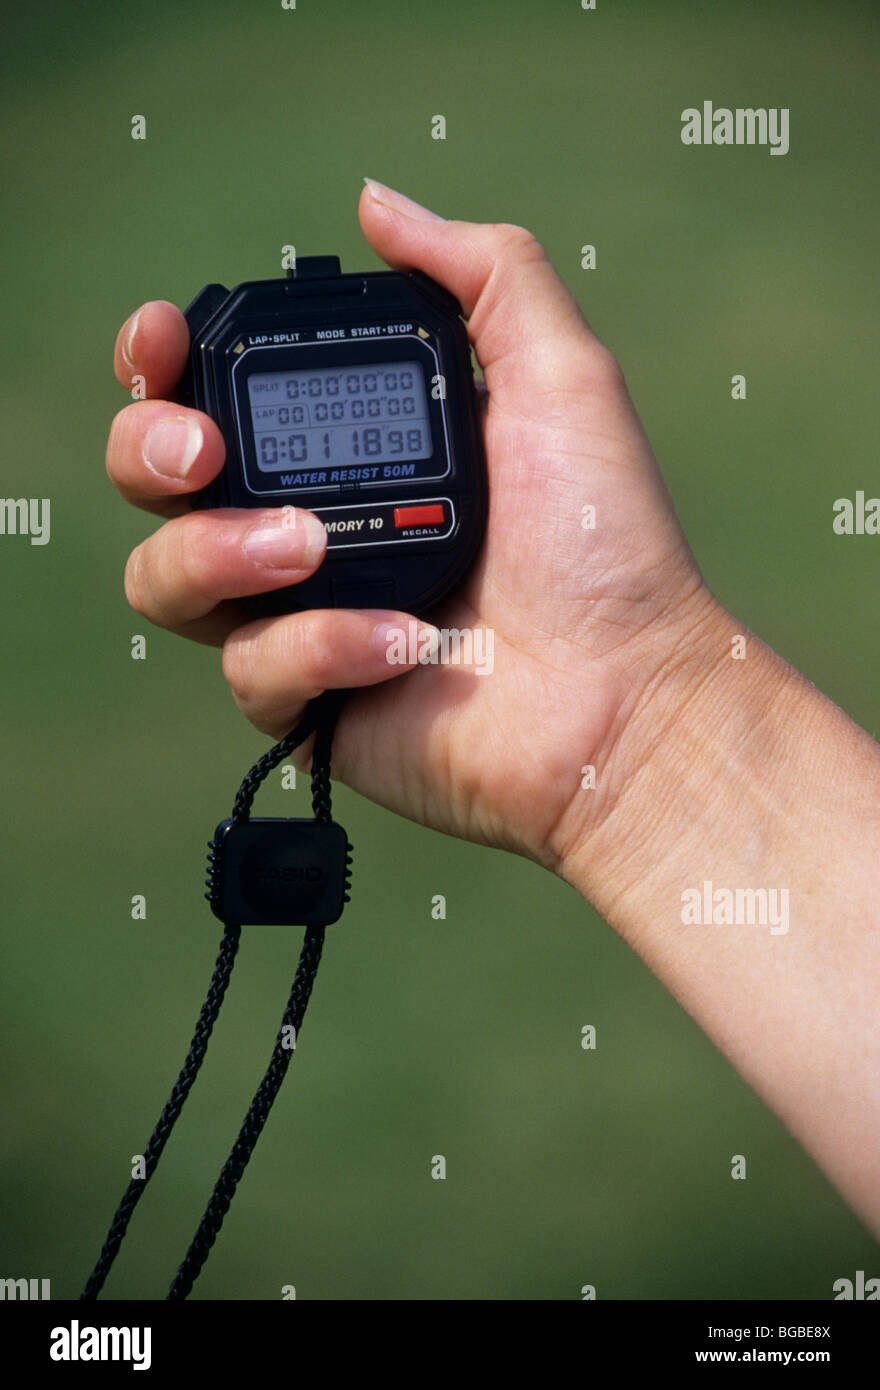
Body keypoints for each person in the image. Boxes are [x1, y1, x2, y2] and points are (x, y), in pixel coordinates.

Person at [106, 178, 880, 1240]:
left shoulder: (276, 352)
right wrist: (642, 732)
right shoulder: (382, 345)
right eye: (297, 412)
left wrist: (641, 712)